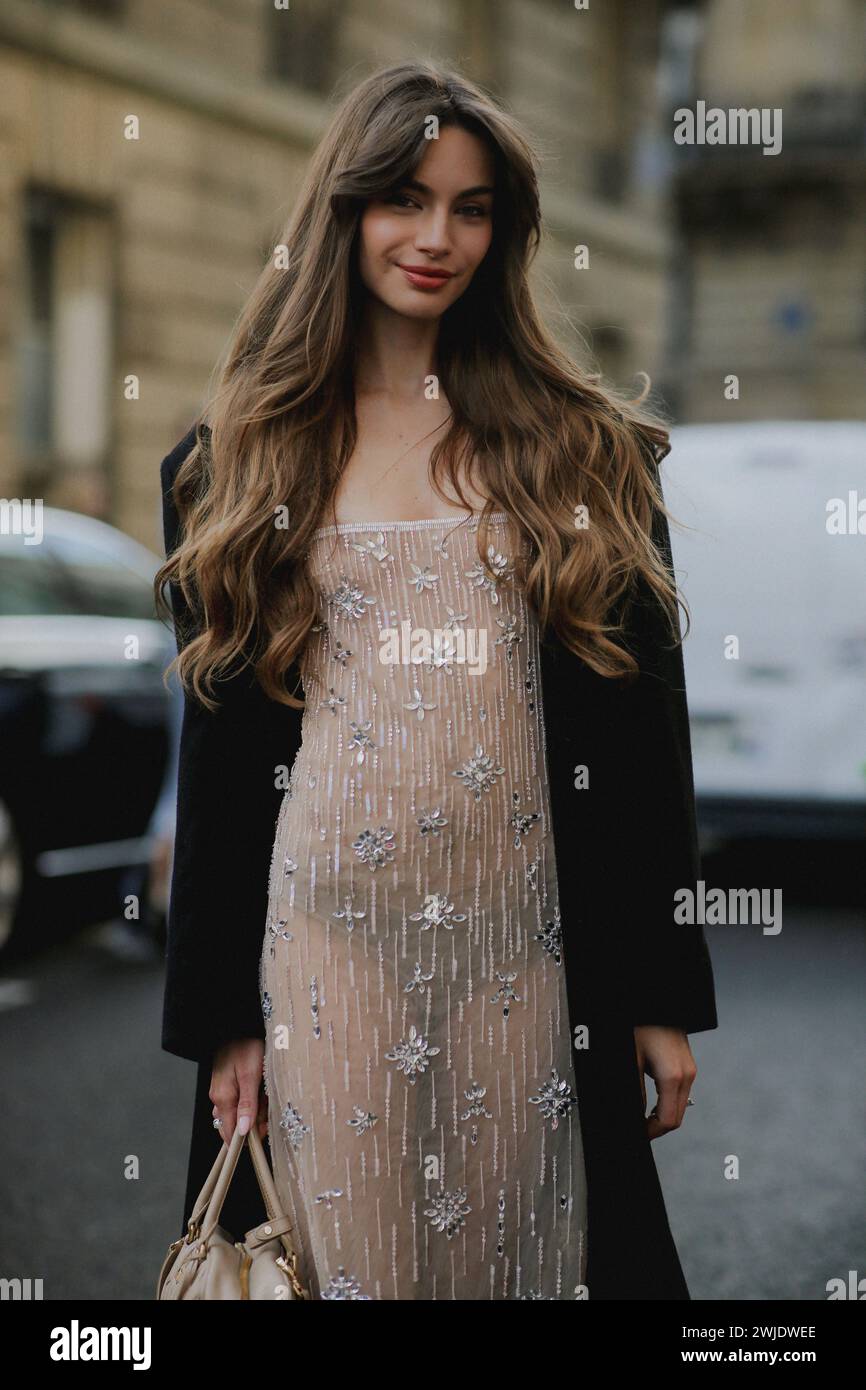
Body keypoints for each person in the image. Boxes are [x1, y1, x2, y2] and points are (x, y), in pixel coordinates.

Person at [155, 60, 717, 1301]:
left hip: (530, 947)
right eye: (405, 198)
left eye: (471, 209)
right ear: (344, 209)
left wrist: (661, 991)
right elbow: (221, 756)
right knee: (348, 1268)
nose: (437, 237)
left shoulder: (583, 446)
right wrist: (222, 1018)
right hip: (321, 950)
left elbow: (639, 741)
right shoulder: (236, 457)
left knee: (524, 1260)